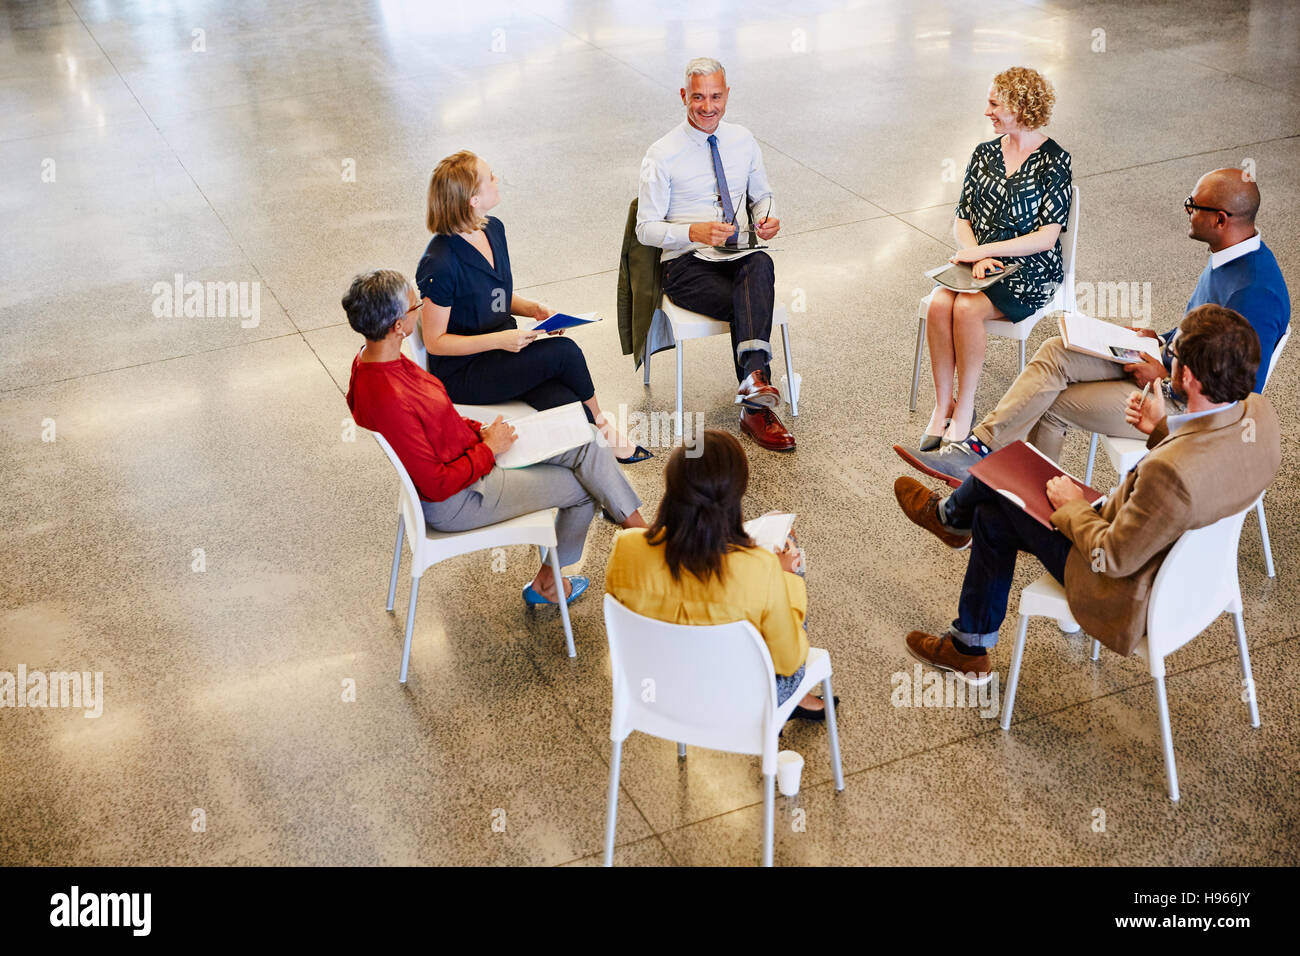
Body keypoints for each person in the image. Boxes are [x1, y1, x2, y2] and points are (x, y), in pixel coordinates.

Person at [893, 304, 1280, 679]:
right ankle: (966, 640)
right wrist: (1160, 430)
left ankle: (950, 521)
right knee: (994, 514)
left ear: (1191, 379)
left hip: (1120, 590)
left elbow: (1110, 558)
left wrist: (1074, 506)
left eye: (1173, 353)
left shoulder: (1169, 474)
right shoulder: (1259, 415)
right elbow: (1203, 459)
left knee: (1001, 480)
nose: (1168, 359)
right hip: (1195, 580)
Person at [899, 167, 1289, 487]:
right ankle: (976, 454)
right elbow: (1203, 333)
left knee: (1049, 403)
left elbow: (1236, 395)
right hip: (1165, 364)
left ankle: (1006, 505)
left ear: (1220, 220)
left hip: (1181, 406)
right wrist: (1163, 339)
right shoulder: (1228, 255)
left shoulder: (1255, 292)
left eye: (1194, 205)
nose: (1187, 210)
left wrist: (1165, 377)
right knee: (1055, 350)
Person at [344, 269, 649, 606]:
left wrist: (480, 433)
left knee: (589, 439)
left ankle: (639, 536)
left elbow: (436, 418)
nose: (422, 310)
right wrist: (488, 450)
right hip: (462, 496)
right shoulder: (390, 397)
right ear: (397, 326)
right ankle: (554, 580)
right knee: (587, 486)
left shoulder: (372, 359)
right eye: (415, 308)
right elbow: (436, 484)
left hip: (472, 454)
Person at [415, 150, 651, 464]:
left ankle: (591, 461)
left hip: (501, 352)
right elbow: (435, 342)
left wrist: (535, 309)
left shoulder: (492, 229)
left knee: (567, 401)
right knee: (563, 352)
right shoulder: (440, 263)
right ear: (472, 199)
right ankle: (604, 426)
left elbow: (492, 294)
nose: (497, 180)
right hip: (467, 371)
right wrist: (500, 340)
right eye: (490, 177)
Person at [606, 431, 834, 718]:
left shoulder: (625, 548)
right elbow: (789, 662)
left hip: (653, 691)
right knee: (787, 541)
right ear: (735, 495)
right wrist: (786, 577)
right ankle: (796, 700)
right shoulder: (760, 569)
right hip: (742, 700)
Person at [636, 57, 795, 453]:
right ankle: (756, 402)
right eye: (698, 97)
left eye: (716, 96)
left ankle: (753, 386)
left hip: (734, 253)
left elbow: (763, 196)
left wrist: (766, 217)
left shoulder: (743, 140)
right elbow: (645, 229)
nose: (708, 107)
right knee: (752, 303)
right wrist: (693, 230)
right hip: (685, 265)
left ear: (728, 95)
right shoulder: (662, 153)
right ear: (683, 96)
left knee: (762, 262)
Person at [919, 66, 1072, 451]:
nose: (987, 112)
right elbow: (962, 218)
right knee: (940, 303)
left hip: (1030, 269)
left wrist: (982, 253)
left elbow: (1046, 237)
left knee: (967, 310)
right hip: (979, 262)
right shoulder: (984, 153)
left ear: (1020, 106)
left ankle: (966, 408)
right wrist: (973, 259)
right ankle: (943, 406)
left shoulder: (1055, 160)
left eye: (994, 104)